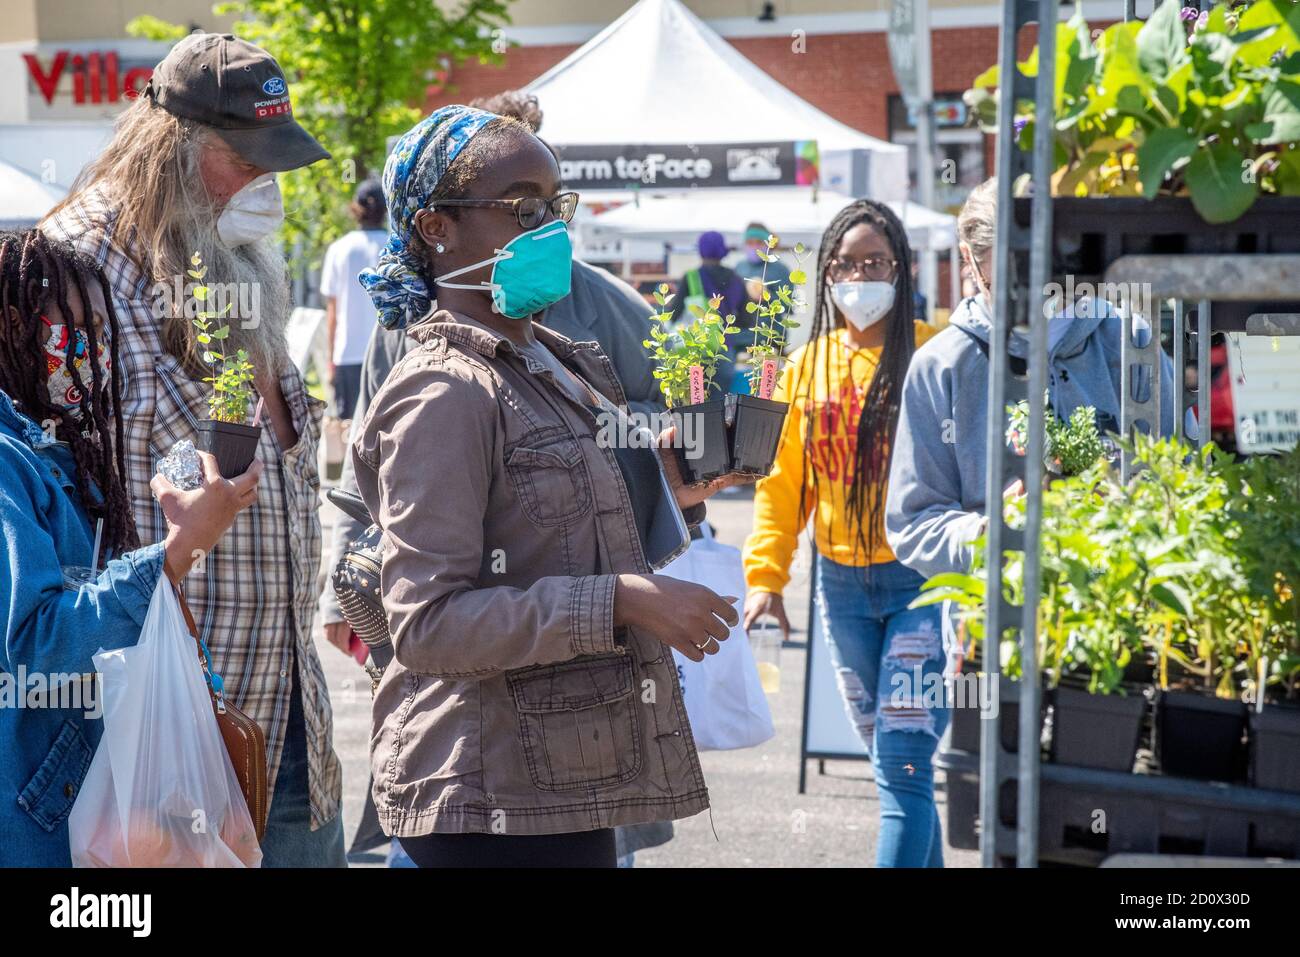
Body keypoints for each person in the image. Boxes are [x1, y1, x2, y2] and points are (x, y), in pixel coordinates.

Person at [350, 105, 746, 868]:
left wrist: (675, 485)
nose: (552, 230)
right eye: (524, 207)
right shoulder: (444, 390)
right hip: (481, 803)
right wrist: (623, 599)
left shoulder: (550, 362)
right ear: (438, 227)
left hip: (562, 786)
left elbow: (548, 525)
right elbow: (428, 624)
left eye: (556, 206)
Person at [41, 32, 346, 867]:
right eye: (243, 159)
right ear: (173, 146)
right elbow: (48, 520)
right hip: (161, 750)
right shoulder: (77, 270)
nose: (265, 183)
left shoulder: (236, 255)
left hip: (292, 731)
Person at [0, 229, 261, 866]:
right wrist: (174, 556)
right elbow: (31, 647)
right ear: (11, 324)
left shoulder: (65, 448)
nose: (97, 349)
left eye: (105, 329)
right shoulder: (9, 463)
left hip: (90, 807)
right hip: (36, 821)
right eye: (79, 327)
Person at [741, 200, 948, 868]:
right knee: (899, 768)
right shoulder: (806, 366)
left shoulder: (933, 353)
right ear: (828, 274)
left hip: (924, 580)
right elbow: (781, 484)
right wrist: (765, 581)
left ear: (901, 268)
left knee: (903, 763)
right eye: (848, 264)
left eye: (876, 263)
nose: (862, 276)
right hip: (841, 589)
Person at [885, 176, 1184, 581]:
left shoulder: (1130, 339)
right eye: (1008, 277)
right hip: (992, 611)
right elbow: (913, 523)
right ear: (969, 260)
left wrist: (1127, 499)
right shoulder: (941, 365)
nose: (1035, 292)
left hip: (1117, 600)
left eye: (1047, 272)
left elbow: (1184, 466)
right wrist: (986, 531)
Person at [322, 178, 387, 420]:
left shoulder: (340, 249)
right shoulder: (396, 248)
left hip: (348, 353)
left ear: (356, 208)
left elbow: (333, 312)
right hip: (389, 355)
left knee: (351, 434)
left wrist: (330, 361)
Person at [733, 221, 792, 303]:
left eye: (759, 242)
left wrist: (767, 297)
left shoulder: (781, 270)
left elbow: (789, 305)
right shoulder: (739, 267)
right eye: (750, 243)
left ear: (768, 244)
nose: (754, 247)